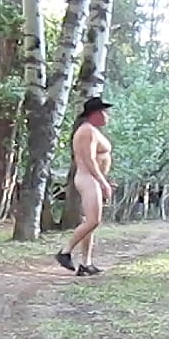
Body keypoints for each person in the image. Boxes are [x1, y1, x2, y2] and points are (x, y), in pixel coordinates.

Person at [55, 96, 114, 276]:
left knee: (90, 223)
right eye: (103, 112)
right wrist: (103, 182)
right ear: (95, 114)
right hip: (88, 178)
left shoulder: (91, 130)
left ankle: (86, 263)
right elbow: (89, 159)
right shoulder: (87, 131)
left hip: (92, 178)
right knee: (93, 220)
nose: (106, 116)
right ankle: (65, 252)